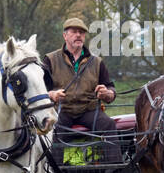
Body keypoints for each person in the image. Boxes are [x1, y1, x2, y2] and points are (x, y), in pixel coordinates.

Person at [41, 16, 121, 162]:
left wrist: (107, 93)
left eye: (82, 32)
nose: (78, 35)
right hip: (62, 111)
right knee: (54, 130)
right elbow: (39, 90)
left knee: (109, 125)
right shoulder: (50, 59)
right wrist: (52, 94)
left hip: (89, 111)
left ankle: (114, 172)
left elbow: (110, 88)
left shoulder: (96, 61)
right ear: (65, 35)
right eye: (74, 32)